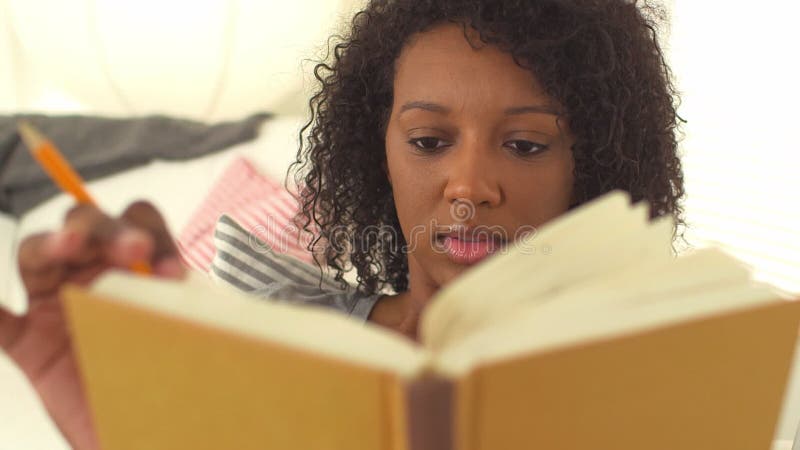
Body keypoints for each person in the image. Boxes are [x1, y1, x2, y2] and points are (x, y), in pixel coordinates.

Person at [0, 0, 684, 448]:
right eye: (427, 141)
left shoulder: (650, 395)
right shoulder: (271, 337)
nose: (470, 185)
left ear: (591, 165)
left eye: (526, 145)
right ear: (375, 150)